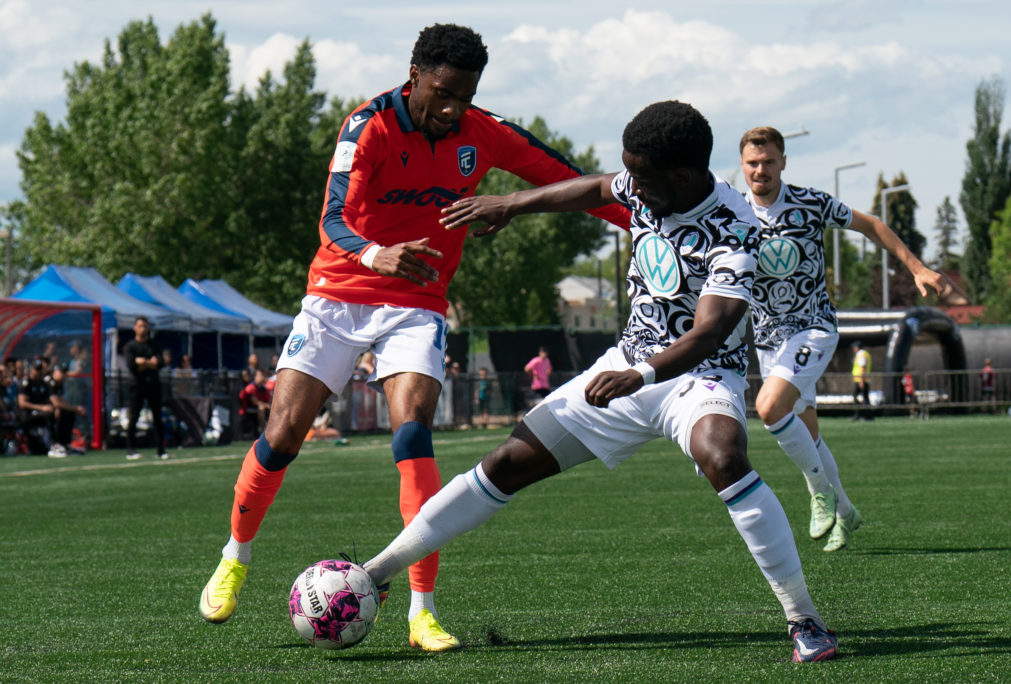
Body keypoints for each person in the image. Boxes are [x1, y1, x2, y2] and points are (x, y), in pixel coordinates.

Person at [198, 22, 631, 652]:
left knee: (413, 434)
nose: (453, 109)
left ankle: (421, 612)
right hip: (338, 295)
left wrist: (650, 221)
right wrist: (377, 254)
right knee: (283, 432)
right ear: (414, 77)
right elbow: (332, 218)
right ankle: (234, 557)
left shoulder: (484, 132)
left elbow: (573, 181)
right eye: (442, 94)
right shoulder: (367, 127)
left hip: (415, 303)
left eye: (465, 96)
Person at [362, 100, 839, 663]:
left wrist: (640, 375)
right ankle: (375, 574)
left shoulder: (736, 230)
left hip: (698, 378)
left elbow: (710, 333)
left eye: (641, 177)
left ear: (683, 175)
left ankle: (804, 619)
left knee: (725, 455)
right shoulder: (646, 183)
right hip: (625, 366)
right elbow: (593, 188)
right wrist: (511, 204)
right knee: (504, 464)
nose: (631, 186)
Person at [739, 126, 945, 551]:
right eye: (753, 163)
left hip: (813, 328)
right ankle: (846, 512)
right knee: (806, 433)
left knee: (769, 408)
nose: (761, 170)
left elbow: (871, 224)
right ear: (742, 166)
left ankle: (820, 493)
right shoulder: (732, 213)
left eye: (769, 161)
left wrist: (917, 268)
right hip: (768, 342)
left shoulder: (809, 203)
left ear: (783, 162)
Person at [123, 316, 168, 460]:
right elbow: (132, 365)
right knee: (134, 416)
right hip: (137, 385)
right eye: (140, 326)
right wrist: (149, 363)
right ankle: (131, 448)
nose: (143, 329)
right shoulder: (130, 346)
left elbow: (159, 363)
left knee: (157, 416)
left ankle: (161, 449)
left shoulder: (154, 345)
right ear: (135, 328)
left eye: (145, 326)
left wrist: (144, 362)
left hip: (153, 384)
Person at [17, 359, 55, 456]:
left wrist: (53, 407)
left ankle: (52, 443)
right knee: (46, 414)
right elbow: (22, 403)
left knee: (53, 413)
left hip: (40, 412)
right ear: (31, 370)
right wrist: (41, 408)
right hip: (28, 413)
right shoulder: (26, 383)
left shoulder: (43, 383)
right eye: (36, 369)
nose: (38, 372)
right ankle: (50, 443)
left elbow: (49, 399)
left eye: (39, 369)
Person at [48, 363, 87, 456]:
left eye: (64, 373)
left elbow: (62, 400)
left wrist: (74, 409)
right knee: (51, 414)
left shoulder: (59, 384)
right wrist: (75, 408)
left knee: (69, 413)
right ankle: (54, 444)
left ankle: (65, 444)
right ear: (55, 372)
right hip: (43, 408)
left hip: (52, 408)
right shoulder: (50, 382)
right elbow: (55, 403)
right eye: (61, 372)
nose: (63, 375)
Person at [238, 368, 272, 438]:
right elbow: (255, 402)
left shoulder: (264, 388)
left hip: (263, 407)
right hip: (250, 409)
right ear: (255, 377)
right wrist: (267, 406)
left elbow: (268, 400)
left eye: (263, 375)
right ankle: (262, 430)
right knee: (261, 408)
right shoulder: (251, 387)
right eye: (260, 375)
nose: (263, 377)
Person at [851, 341, 872, 422]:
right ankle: (867, 416)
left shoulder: (861, 354)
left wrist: (861, 381)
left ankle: (860, 415)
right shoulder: (863, 354)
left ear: (857, 348)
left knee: (859, 397)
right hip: (862, 379)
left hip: (861, 379)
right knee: (865, 397)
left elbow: (863, 368)